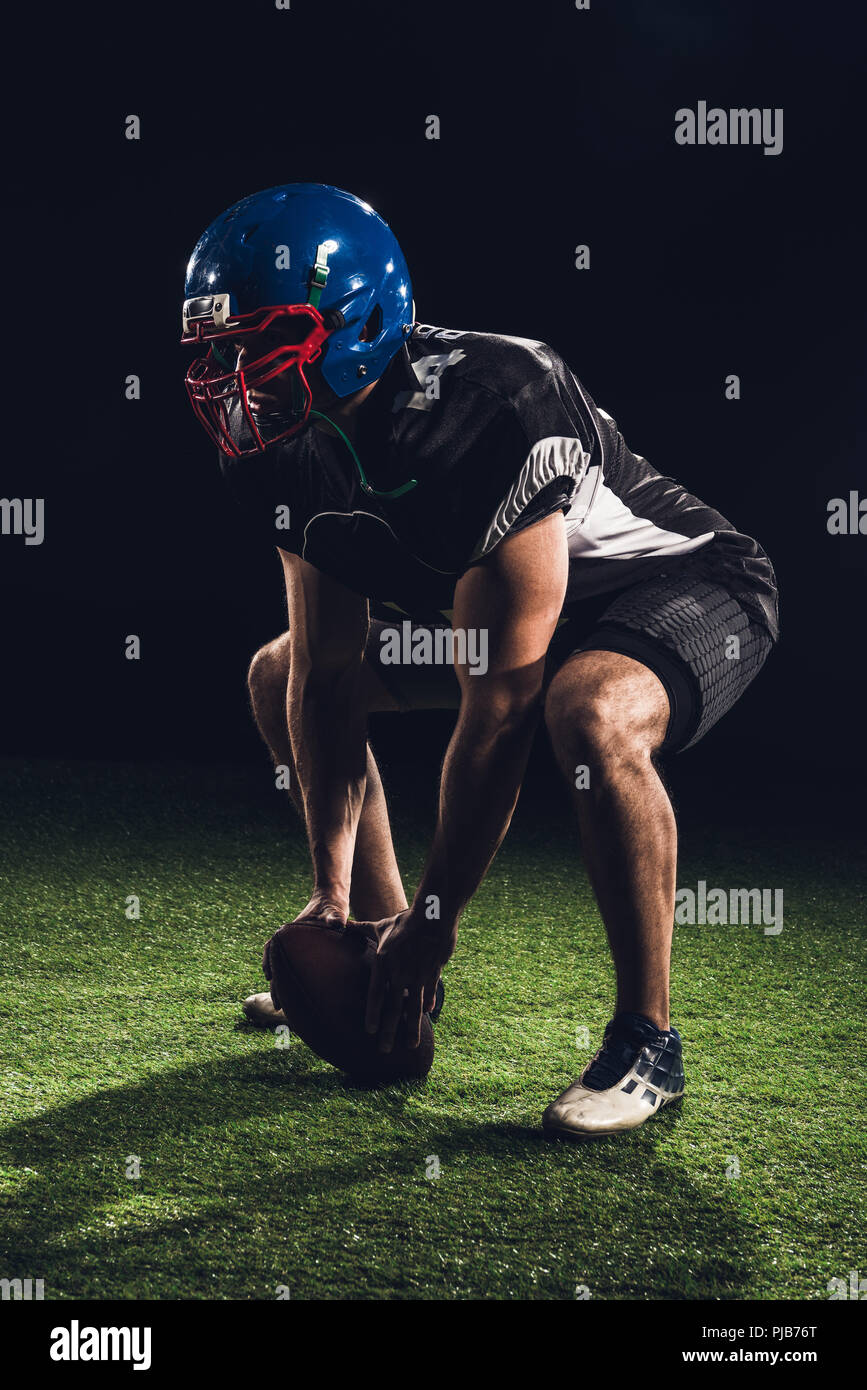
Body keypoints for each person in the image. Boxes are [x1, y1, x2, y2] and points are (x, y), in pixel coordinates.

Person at [181, 183, 778, 1137]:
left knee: (585, 712)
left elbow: (496, 711)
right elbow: (327, 673)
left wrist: (439, 918)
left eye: (259, 343)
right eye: (218, 350)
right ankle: (377, 963)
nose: (233, 376)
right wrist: (332, 903)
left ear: (357, 320)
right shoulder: (273, 452)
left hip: (678, 589)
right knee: (277, 669)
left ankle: (646, 1042)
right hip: (489, 616)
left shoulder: (493, 404)